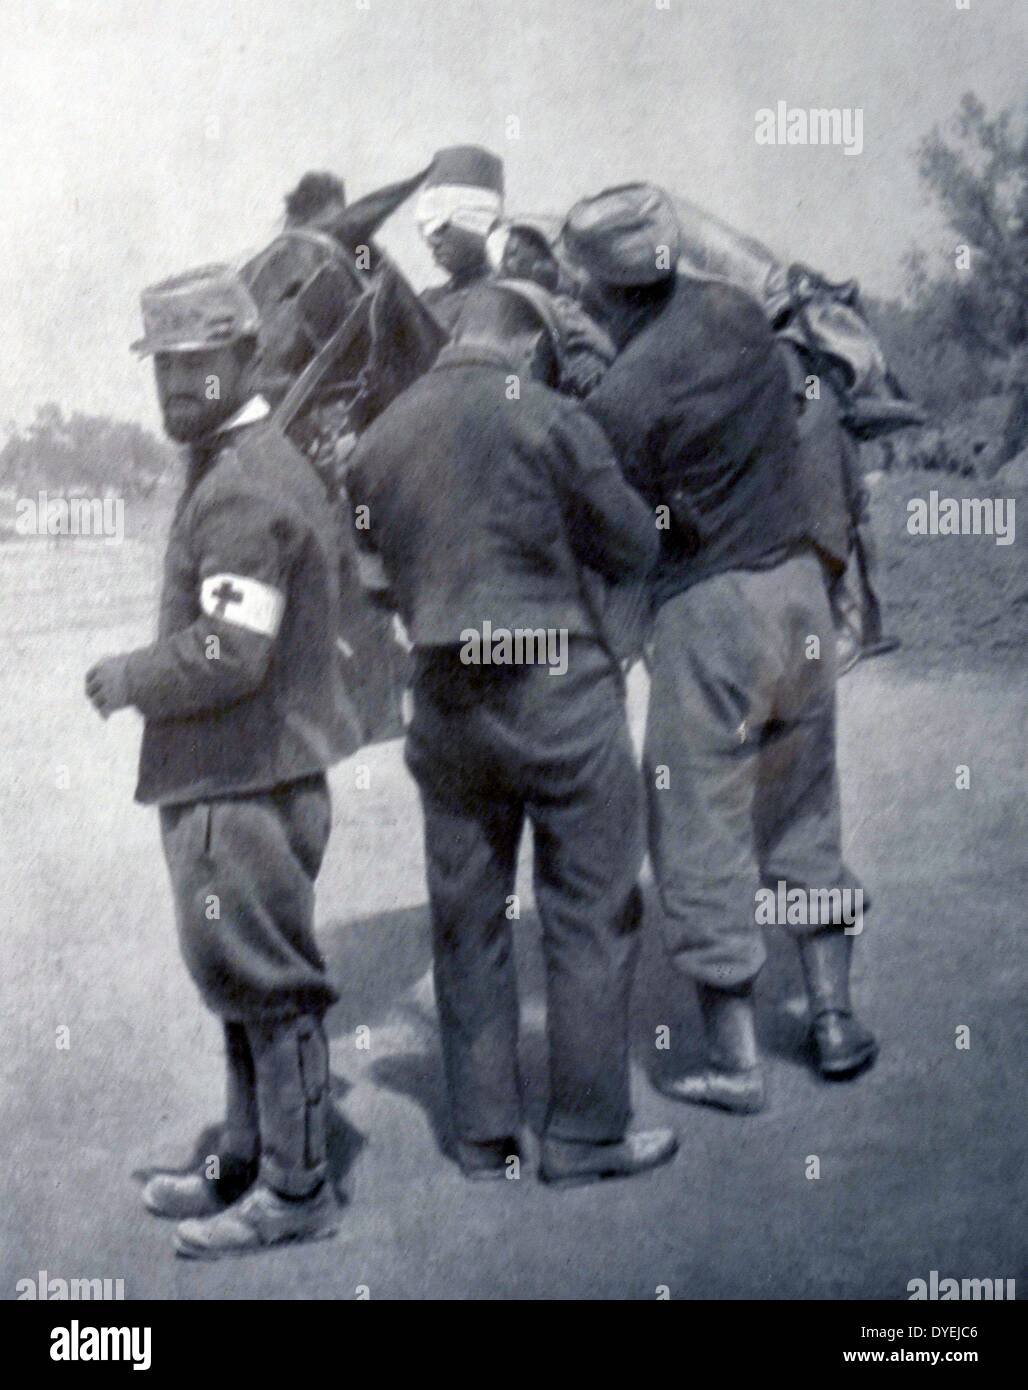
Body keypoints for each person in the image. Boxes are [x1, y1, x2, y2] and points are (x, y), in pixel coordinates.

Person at [346, 280, 678, 1186]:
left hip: (445, 698)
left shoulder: (377, 441)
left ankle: (484, 1134)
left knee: (467, 916)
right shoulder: (549, 415)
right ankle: (584, 1135)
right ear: (531, 345)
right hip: (557, 686)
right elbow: (633, 546)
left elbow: (373, 583)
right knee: (589, 908)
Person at [564, 184, 878, 1114]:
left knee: (699, 827)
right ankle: (832, 1019)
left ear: (602, 288)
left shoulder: (622, 398)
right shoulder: (739, 317)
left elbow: (626, 531)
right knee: (804, 806)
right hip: (798, 596)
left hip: (709, 613)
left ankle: (737, 1065)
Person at [85, 264, 361, 1257]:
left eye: (194, 366)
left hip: (239, 782)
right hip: (242, 776)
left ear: (246, 357)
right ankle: (246, 1153)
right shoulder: (241, 461)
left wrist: (130, 677)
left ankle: (295, 1188)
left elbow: (229, 652)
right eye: (162, 368)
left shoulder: (242, 482)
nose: (173, 388)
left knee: (268, 980)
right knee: (241, 980)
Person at [417, 145, 503, 333]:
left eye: (442, 227)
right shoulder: (427, 301)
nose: (431, 241)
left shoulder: (508, 301)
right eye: (427, 228)